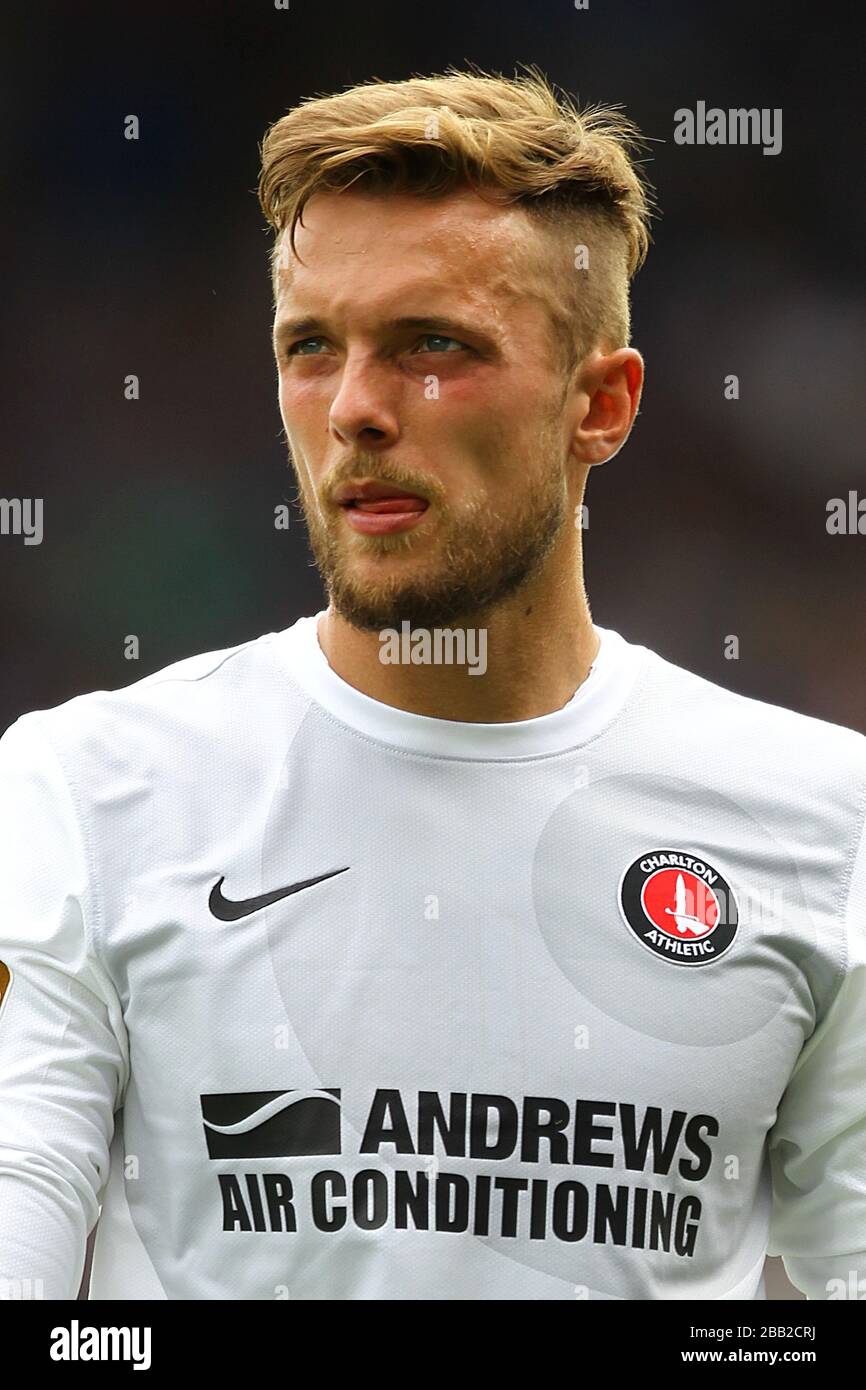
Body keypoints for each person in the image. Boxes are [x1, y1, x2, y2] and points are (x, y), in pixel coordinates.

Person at [0, 68, 863, 1302]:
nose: (353, 409)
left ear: (600, 406)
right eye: (311, 348)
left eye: (431, 348)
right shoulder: (80, 792)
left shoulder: (826, 825)